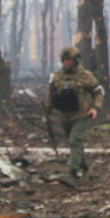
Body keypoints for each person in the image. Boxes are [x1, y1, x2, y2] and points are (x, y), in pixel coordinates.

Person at [43, 46, 103, 187]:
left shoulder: (85, 76)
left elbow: (98, 92)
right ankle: (85, 170)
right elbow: (49, 95)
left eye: (69, 60)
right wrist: (47, 113)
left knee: (75, 141)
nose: (67, 63)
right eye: (65, 60)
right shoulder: (57, 77)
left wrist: (95, 108)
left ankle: (72, 173)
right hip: (64, 116)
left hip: (81, 115)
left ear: (75, 60)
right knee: (76, 144)